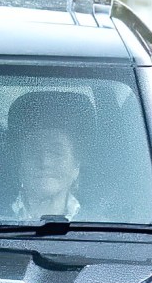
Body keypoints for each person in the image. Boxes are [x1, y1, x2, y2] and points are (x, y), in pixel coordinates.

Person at [6, 90, 94, 221]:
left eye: (56, 152)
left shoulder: (103, 230)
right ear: (20, 164)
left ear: (76, 167)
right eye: (33, 151)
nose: (45, 162)